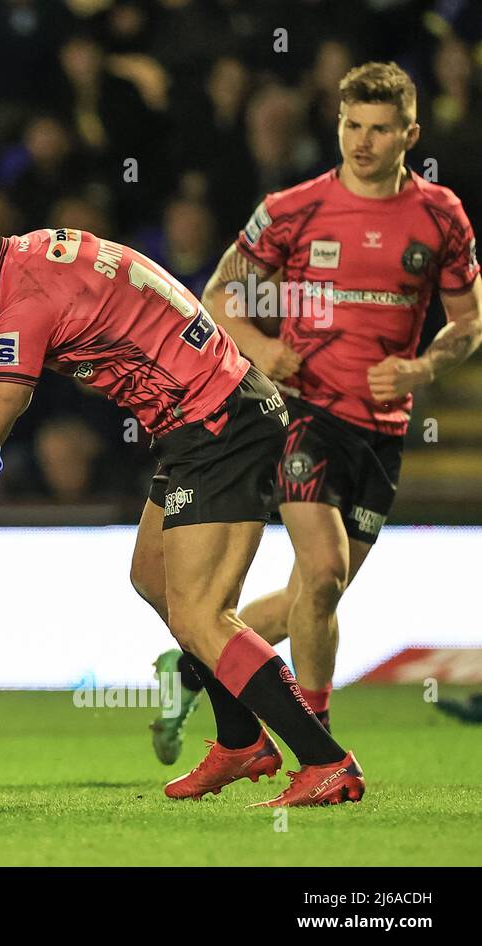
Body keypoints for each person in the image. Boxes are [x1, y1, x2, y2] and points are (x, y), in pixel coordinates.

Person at [0, 202, 364, 806]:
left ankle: (326, 760)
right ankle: (241, 740)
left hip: (219, 423)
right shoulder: (39, 246)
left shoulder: (24, 305)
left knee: (202, 616)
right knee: (154, 578)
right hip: (201, 415)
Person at [150, 61, 480, 758]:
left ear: (410, 133)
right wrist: (261, 349)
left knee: (314, 595)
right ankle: (319, 745)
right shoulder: (294, 207)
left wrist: (423, 366)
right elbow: (218, 296)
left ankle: (195, 664)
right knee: (325, 573)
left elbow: (469, 323)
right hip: (302, 413)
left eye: (380, 129)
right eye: (350, 125)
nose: (361, 141)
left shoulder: (440, 213)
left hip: (381, 430)